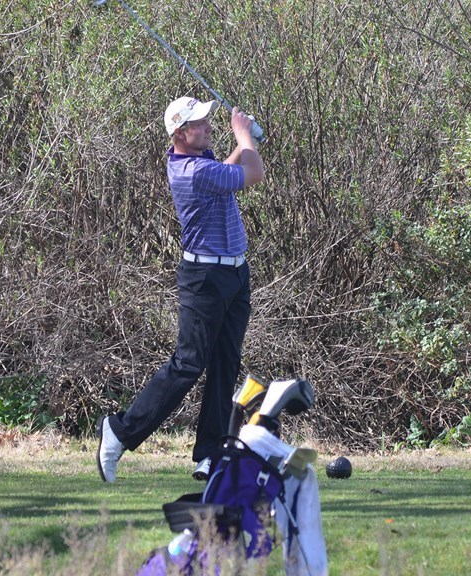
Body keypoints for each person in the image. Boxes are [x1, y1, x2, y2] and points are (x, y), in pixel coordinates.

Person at [96, 96, 266, 483]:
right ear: (179, 133)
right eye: (199, 124)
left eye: (208, 120)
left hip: (235, 275)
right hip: (204, 278)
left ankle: (210, 454)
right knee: (189, 363)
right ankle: (120, 431)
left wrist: (242, 143)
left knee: (225, 365)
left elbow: (228, 171)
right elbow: (253, 174)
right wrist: (244, 136)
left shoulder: (202, 164)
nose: (208, 126)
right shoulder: (190, 170)